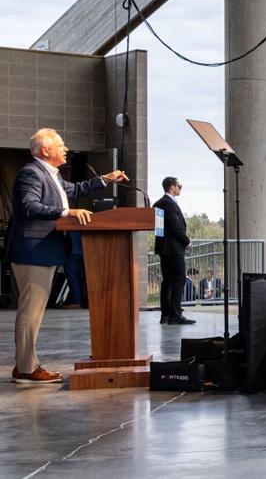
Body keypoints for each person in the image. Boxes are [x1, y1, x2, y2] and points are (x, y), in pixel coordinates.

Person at [5, 129, 126, 383]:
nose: (66, 149)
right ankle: (26, 369)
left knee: (34, 312)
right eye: (60, 145)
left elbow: (77, 189)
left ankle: (27, 364)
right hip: (32, 251)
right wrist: (66, 213)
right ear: (45, 150)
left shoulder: (54, 176)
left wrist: (106, 178)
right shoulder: (31, 173)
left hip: (43, 251)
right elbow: (29, 206)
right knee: (30, 311)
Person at [153, 176, 195, 325]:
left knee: (168, 281)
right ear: (172, 187)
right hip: (173, 248)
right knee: (179, 279)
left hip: (165, 249)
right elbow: (175, 227)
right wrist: (187, 241)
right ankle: (175, 314)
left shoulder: (158, 203)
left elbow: (159, 229)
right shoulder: (168, 204)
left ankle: (166, 314)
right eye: (179, 186)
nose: (180, 188)